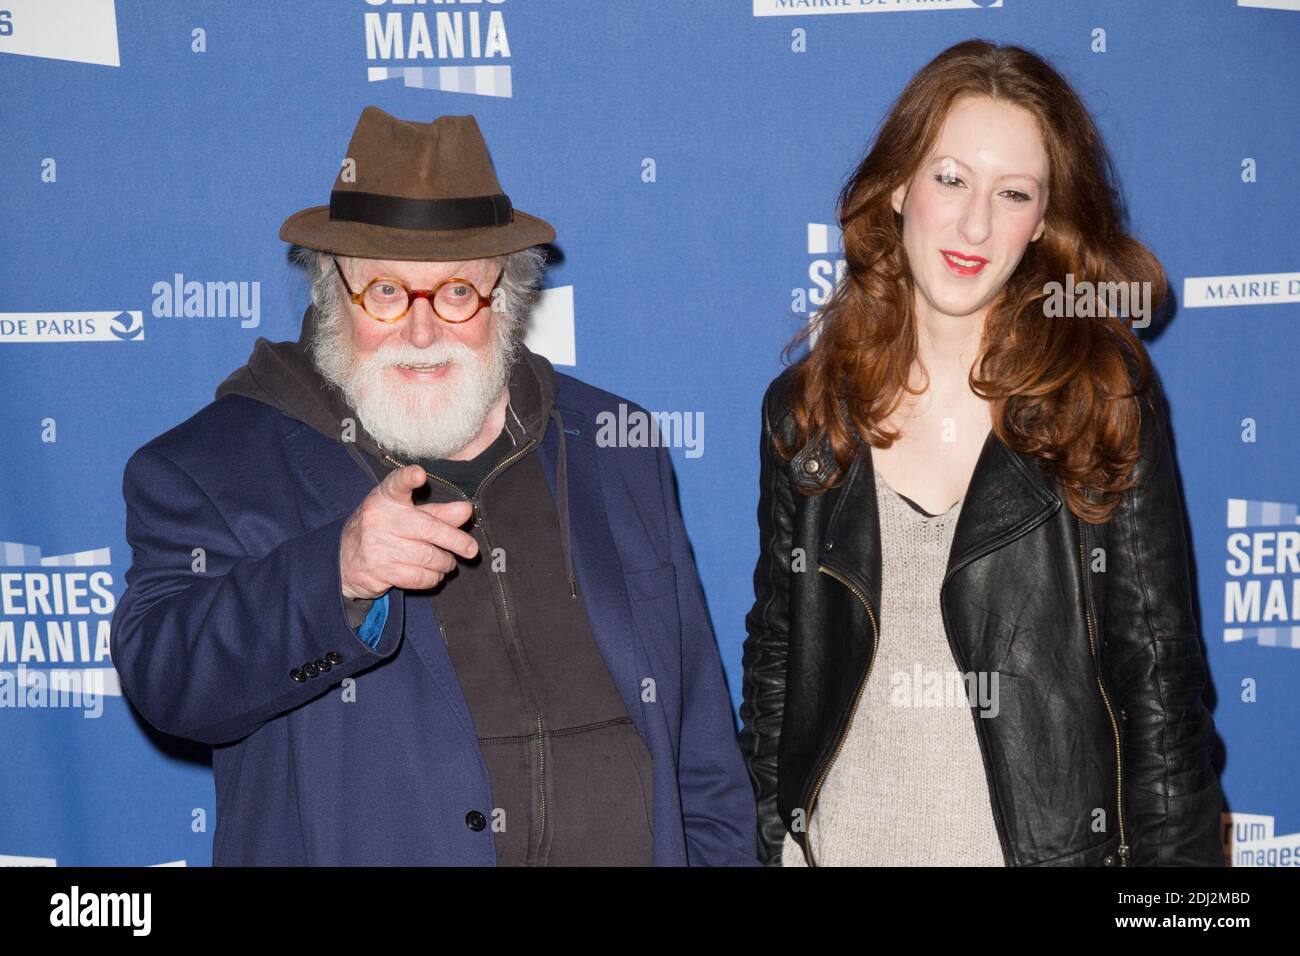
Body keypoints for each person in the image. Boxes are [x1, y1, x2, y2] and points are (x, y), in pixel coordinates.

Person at [111, 106, 756, 866]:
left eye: (455, 293)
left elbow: (701, 752)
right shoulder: (215, 464)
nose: (422, 332)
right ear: (331, 292)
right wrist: (336, 574)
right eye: (385, 292)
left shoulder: (617, 444)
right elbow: (168, 679)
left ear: (505, 298)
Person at [740, 40, 1224, 867]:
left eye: (1013, 194)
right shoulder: (809, 414)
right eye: (951, 178)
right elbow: (778, 664)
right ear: (898, 185)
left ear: (1043, 222)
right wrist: (768, 838)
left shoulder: (1099, 403)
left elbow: (1160, 692)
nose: (974, 225)